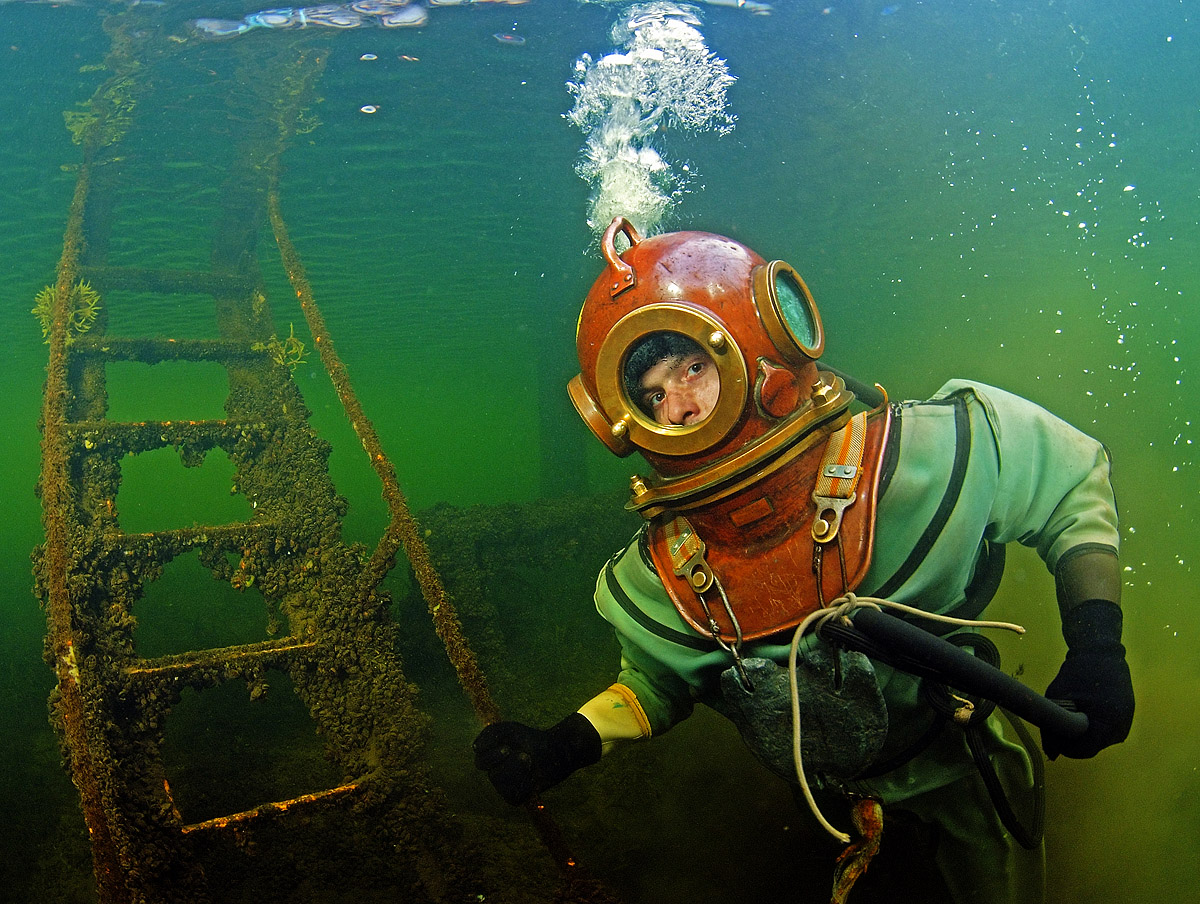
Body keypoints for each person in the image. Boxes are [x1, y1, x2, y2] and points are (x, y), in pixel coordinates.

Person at [473, 218, 1134, 903]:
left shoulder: (920, 463)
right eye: (651, 398)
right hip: (827, 801)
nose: (680, 408)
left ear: (764, 347)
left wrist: (1096, 646)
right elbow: (660, 681)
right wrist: (564, 745)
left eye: (692, 368)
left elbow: (1065, 487)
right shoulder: (663, 578)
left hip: (961, 764)